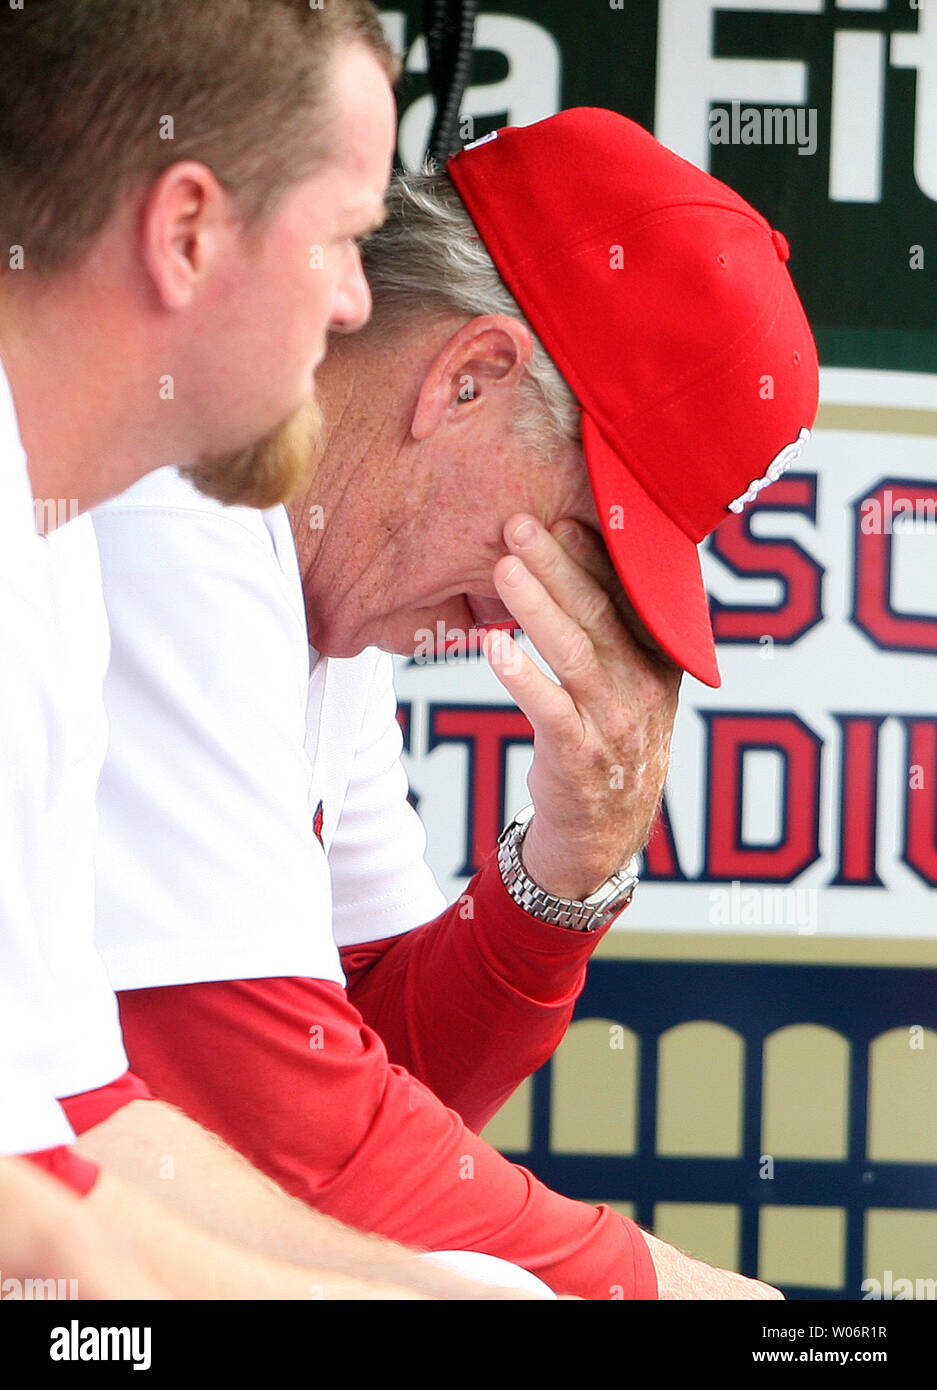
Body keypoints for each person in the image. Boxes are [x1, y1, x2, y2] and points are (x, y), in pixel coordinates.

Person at [89, 110, 818, 1299]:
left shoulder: (326, 575)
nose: (532, 615)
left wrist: (572, 869)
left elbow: (380, 1089)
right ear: (468, 377)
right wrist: (668, 1290)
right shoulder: (178, 483)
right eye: (588, 541)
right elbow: (286, 1136)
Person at [0, 0, 525, 1301]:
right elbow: (43, 1209)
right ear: (185, 233)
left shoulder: (51, 542)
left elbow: (87, 1123)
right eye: (345, 240)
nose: (357, 302)